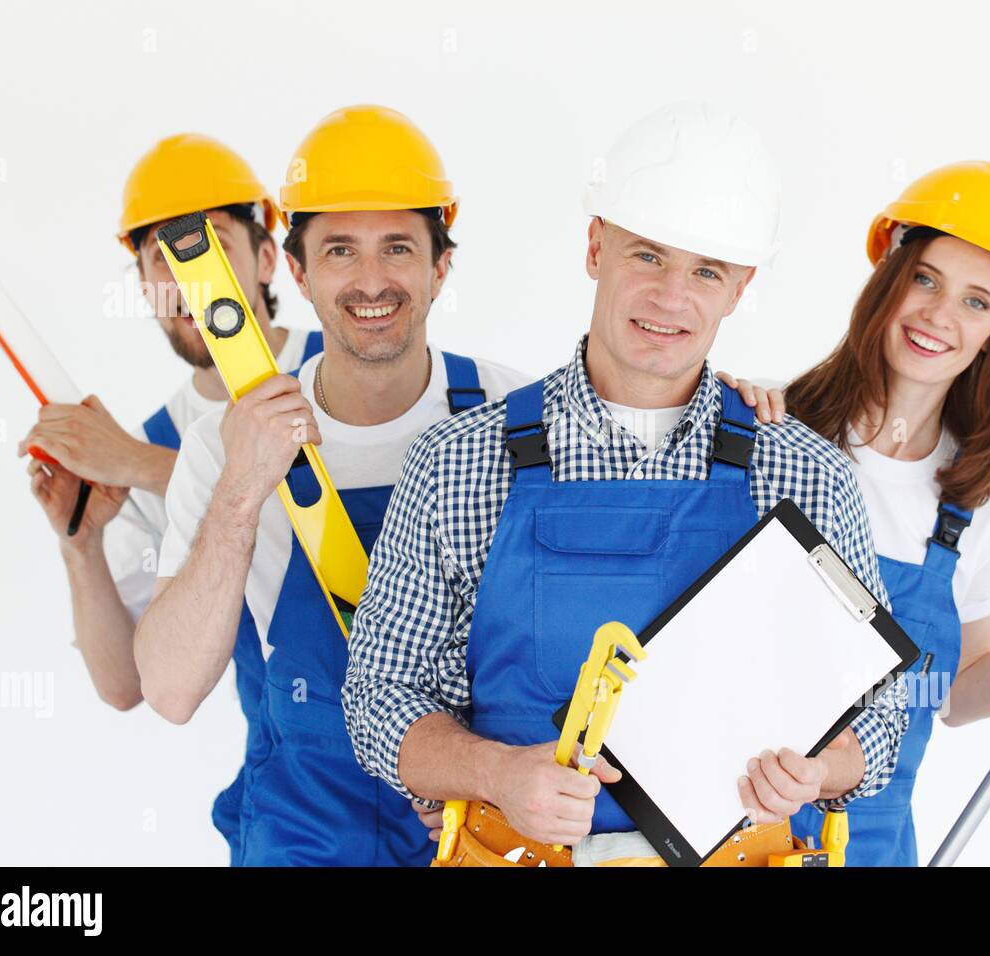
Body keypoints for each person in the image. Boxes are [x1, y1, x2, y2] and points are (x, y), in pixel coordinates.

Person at [343, 101, 907, 866]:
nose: (671, 298)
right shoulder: (459, 462)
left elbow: (879, 709)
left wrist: (819, 770)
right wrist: (498, 772)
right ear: (595, 247)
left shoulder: (804, 474)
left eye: (705, 270)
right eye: (647, 256)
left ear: (739, 289)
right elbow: (379, 697)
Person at [133, 105, 530, 866]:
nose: (371, 280)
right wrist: (242, 491)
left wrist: (740, 401)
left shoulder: (520, 424)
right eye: (341, 250)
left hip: (482, 834)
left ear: (441, 266)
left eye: (399, 248)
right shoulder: (227, 446)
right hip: (303, 838)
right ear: (299, 271)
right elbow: (171, 690)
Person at [718, 161, 990, 866]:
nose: (942, 315)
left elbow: (956, 692)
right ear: (888, 281)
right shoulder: (766, 426)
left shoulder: (982, 501)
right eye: (926, 279)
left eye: (979, 302)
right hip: (726, 832)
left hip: (871, 847)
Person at [21, 133, 322, 863]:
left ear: (267, 257)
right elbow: (126, 684)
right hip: (288, 803)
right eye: (165, 258)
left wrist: (134, 461)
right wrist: (81, 543)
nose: (192, 278)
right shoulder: (158, 435)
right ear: (145, 287)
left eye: (212, 244)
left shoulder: (342, 368)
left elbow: (324, 522)